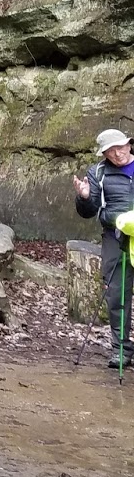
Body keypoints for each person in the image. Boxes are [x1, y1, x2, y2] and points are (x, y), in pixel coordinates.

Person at [73, 128, 134, 369]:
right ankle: (122, 349)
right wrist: (85, 198)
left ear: (129, 144)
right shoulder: (97, 172)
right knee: (117, 294)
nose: (117, 153)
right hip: (115, 236)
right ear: (104, 154)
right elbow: (88, 212)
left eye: (120, 147)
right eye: (110, 151)